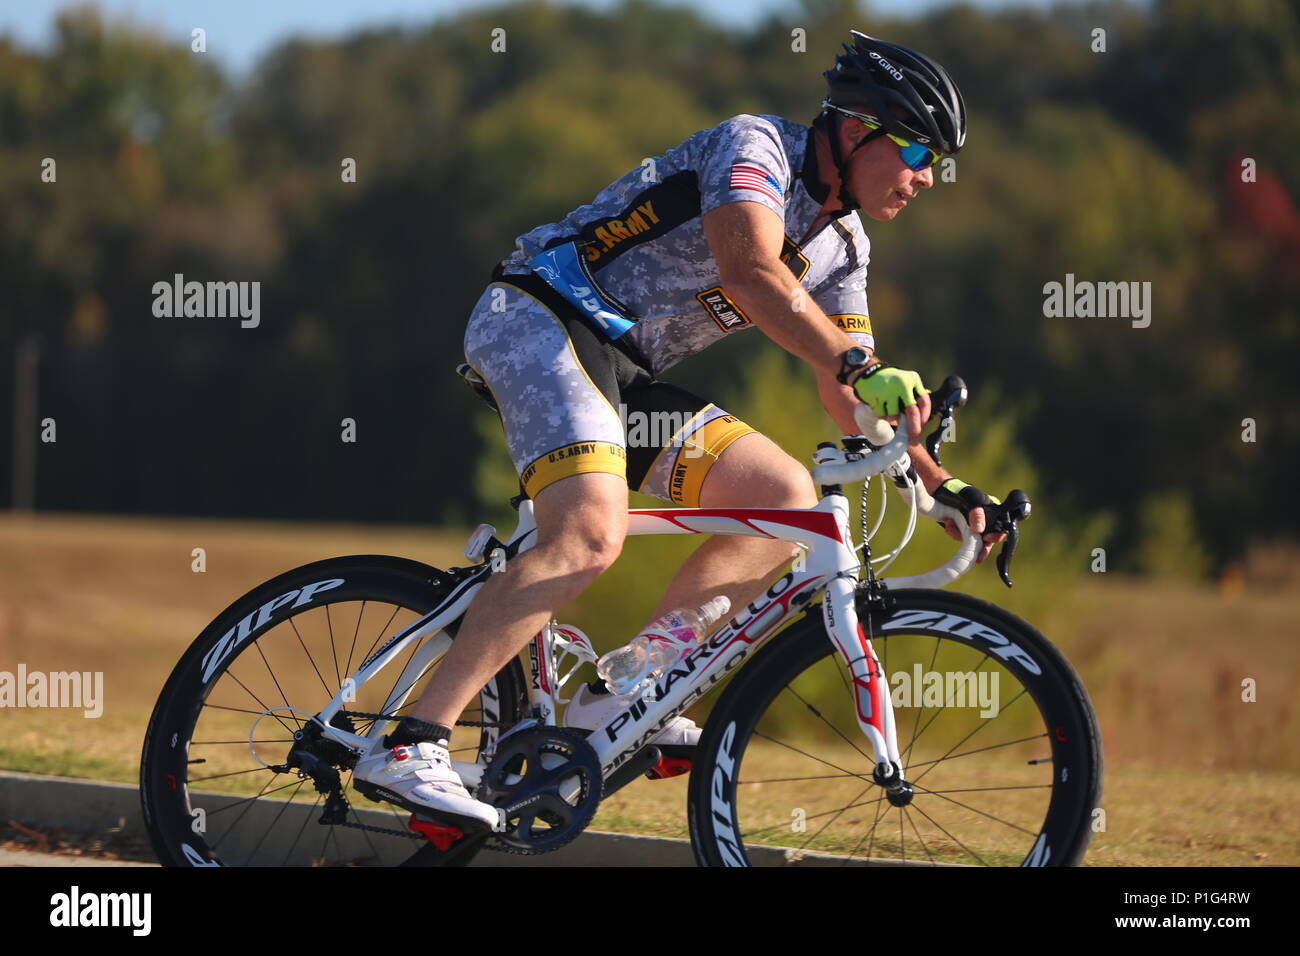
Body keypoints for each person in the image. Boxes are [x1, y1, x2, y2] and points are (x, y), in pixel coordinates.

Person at [355, 31, 1006, 828]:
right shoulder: (755, 147)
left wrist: (942, 488)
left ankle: (617, 698)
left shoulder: (845, 245)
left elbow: (852, 390)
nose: (926, 175)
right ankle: (410, 742)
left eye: (934, 158)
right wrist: (852, 363)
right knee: (591, 534)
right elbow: (752, 273)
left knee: (785, 502)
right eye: (915, 147)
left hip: (623, 370)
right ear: (854, 127)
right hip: (540, 313)